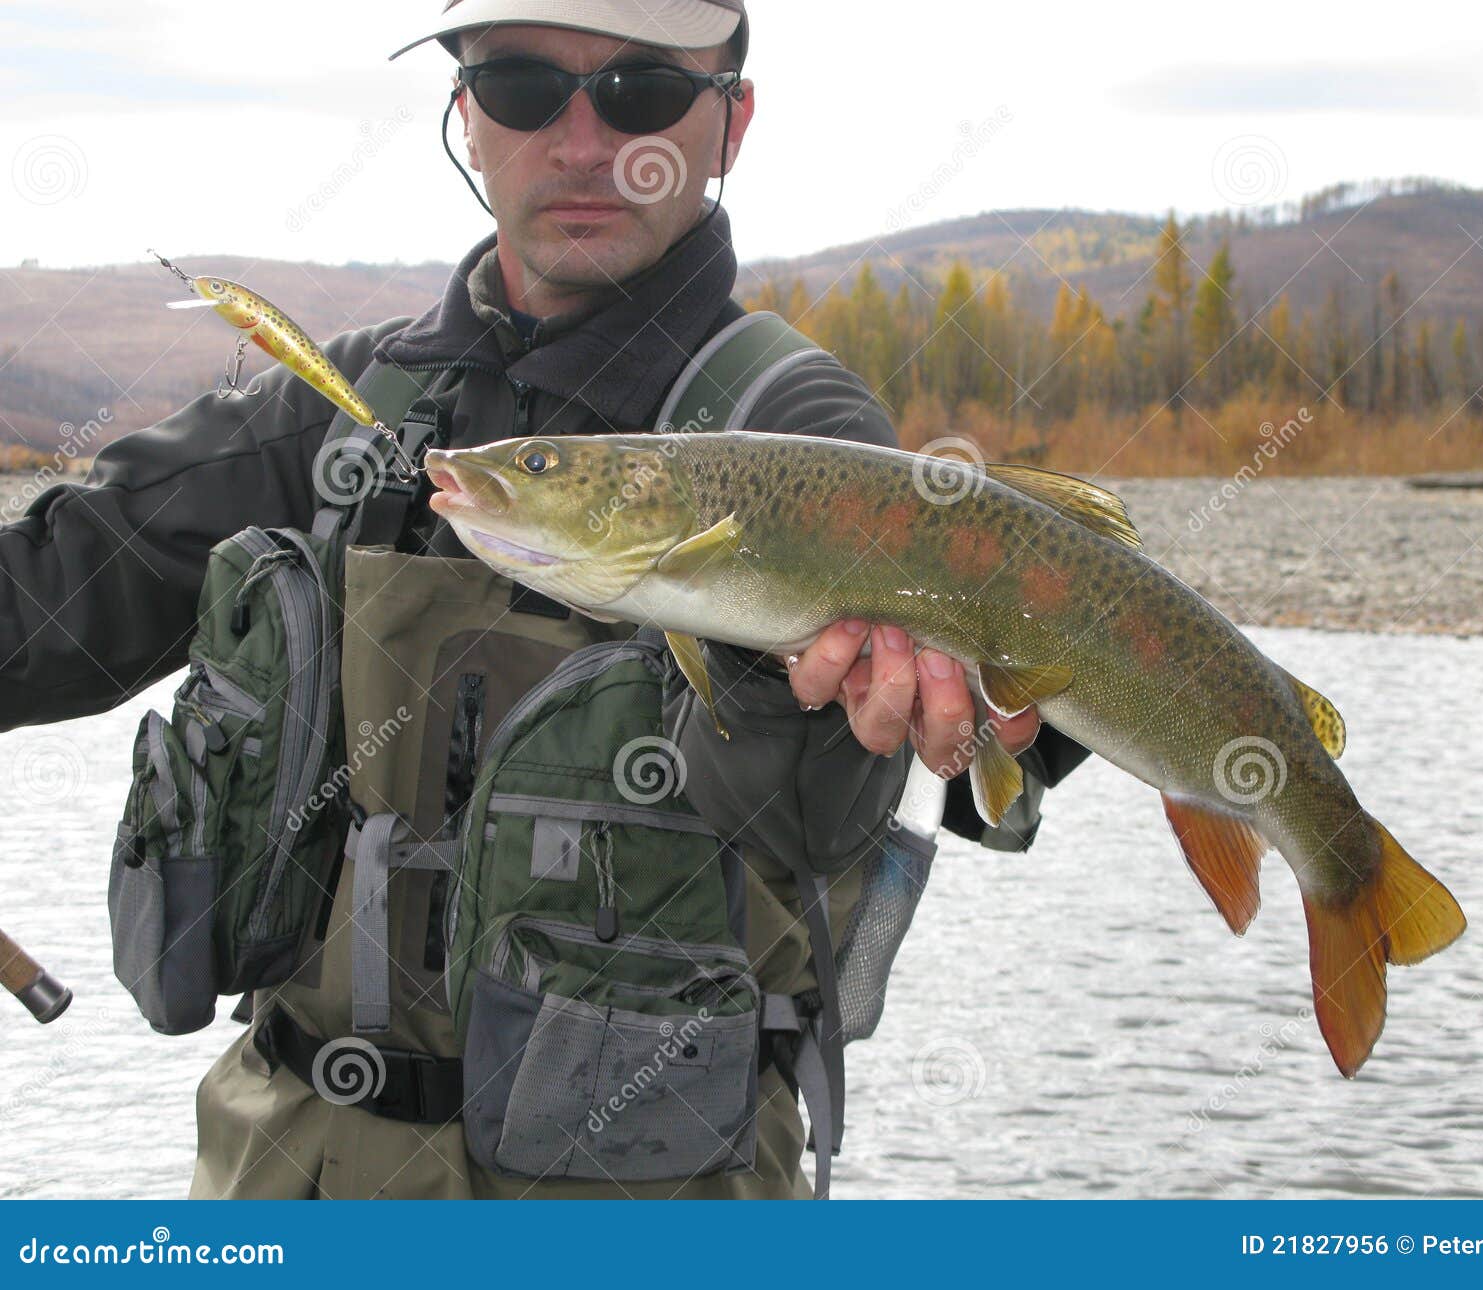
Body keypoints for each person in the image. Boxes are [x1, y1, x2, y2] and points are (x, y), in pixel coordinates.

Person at [0, 0, 1078, 1199]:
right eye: (520, 86)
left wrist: (814, 702)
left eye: (641, 93)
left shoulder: (796, 434)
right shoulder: (344, 409)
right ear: (465, 115)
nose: (581, 142)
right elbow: (50, 598)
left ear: (731, 123)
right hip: (281, 1180)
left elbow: (809, 832)